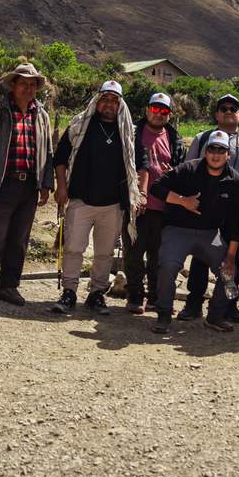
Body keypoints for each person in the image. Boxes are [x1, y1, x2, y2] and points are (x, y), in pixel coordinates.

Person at [50, 80, 141, 316]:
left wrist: (137, 195)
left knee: (104, 252)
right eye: (105, 99)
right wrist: (61, 187)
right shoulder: (80, 125)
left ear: (120, 104)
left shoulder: (129, 131)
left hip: (112, 203)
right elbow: (60, 157)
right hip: (81, 198)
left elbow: (139, 164)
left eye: (114, 100)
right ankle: (69, 291)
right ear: (97, 101)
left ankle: (97, 293)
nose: (109, 104)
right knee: (73, 247)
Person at [0, 62, 54, 309]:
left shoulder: (41, 115)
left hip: (29, 186)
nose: (28, 88)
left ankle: (8, 286)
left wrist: (46, 183)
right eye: (23, 84)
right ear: (13, 85)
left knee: (19, 239)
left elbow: (47, 152)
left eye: (32, 85)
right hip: (2, 184)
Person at [147, 130, 239, 334]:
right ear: (205, 151)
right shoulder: (188, 169)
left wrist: (230, 257)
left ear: (229, 154)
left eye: (221, 150)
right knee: (167, 266)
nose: (216, 154)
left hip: (210, 234)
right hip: (177, 230)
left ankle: (216, 315)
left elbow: (237, 224)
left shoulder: (236, 181)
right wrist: (183, 201)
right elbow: (156, 187)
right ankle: (164, 313)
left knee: (229, 273)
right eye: (212, 149)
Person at [179, 93, 239, 322]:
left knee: (232, 257)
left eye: (233, 108)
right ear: (216, 114)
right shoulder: (202, 137)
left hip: (235, 210)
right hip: (203, 208)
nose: (228, 111)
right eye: (223, 108)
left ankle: (230, 305)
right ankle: (194, 302)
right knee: (200, 256)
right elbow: (188, 168)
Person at [125, 91, 185, 314]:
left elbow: (181, 170)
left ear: (169, 115)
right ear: (147, 109)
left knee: (158, 255)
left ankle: (154, 297)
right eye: (156, 109)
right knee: (134, 252)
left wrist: (175, 175)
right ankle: (134, 296)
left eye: (164, 111)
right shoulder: (133, 133)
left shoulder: (174, 138)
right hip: (136, 203)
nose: (159, 114)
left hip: (164, 206)